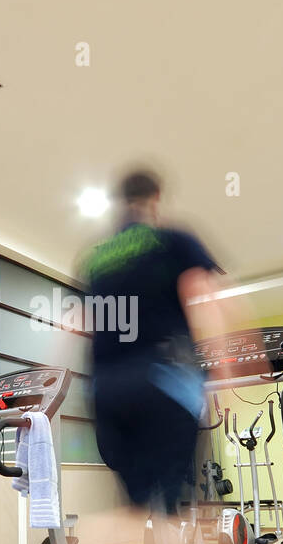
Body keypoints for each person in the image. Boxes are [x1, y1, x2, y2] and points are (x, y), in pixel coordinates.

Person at [80, 168, 244, 516]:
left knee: (137, 505)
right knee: (170, 498)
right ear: (155, 198)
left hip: (106, 389)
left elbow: (80, 324)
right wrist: (224, 370)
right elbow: (203, 297)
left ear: (120, 201)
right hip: (162, 382)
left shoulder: (95, 257)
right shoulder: (173, 239)